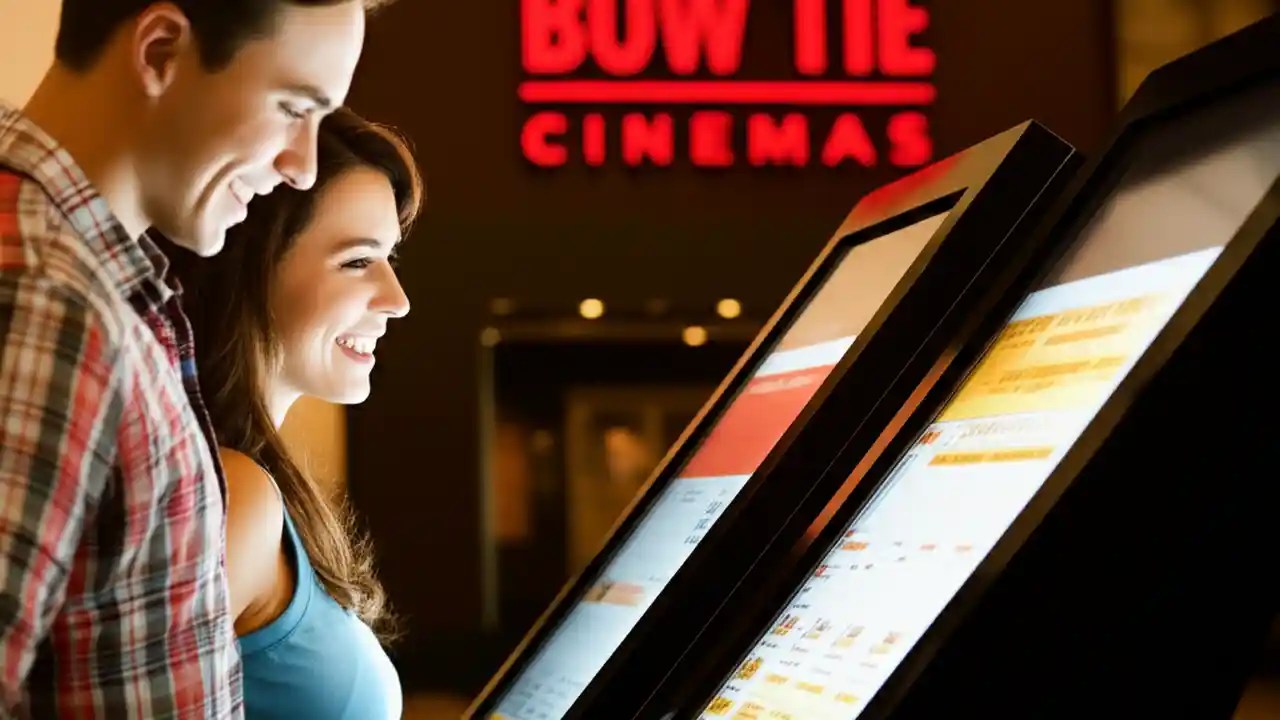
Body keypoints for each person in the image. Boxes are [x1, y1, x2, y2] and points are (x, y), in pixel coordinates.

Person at [0, 1, 387, 717]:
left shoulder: (102, 288)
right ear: (159, 51)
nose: (301, 167)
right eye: (292, 108)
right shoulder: (50, 296)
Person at [159, 106, 421, 718]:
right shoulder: (236, 496)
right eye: (357, 260)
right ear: (250, 267)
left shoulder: (260, 488)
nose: (398, 300)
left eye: (390, 259)